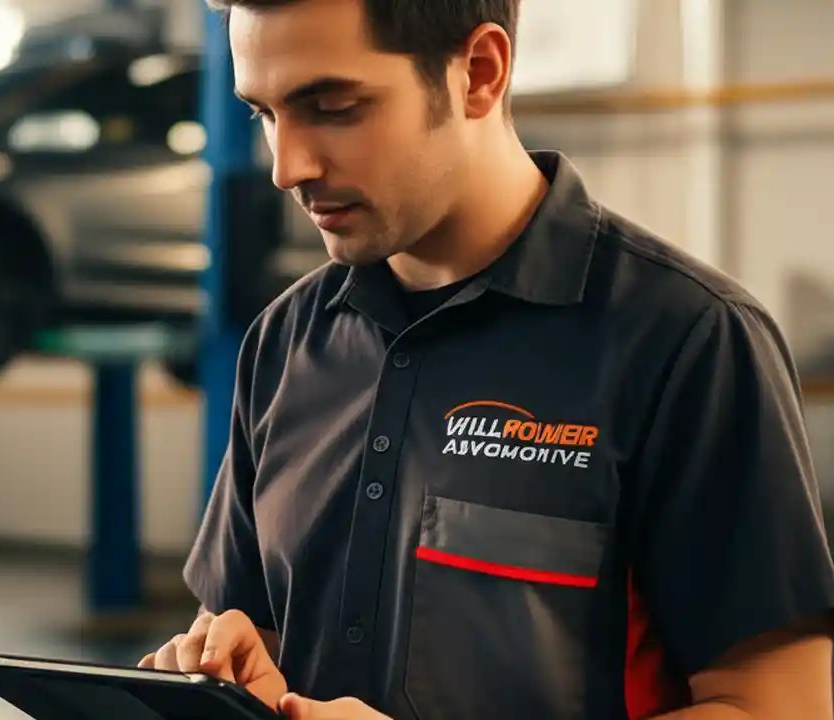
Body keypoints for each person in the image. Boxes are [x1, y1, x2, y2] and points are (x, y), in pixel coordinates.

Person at [141, 0, 834, 718]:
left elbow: (777, 707)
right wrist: (227, 674)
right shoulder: (285, 343)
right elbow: (256, 627)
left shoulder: (688, 342)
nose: (287, 166)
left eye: (334, 106)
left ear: (479, 72)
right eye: (263, 113)